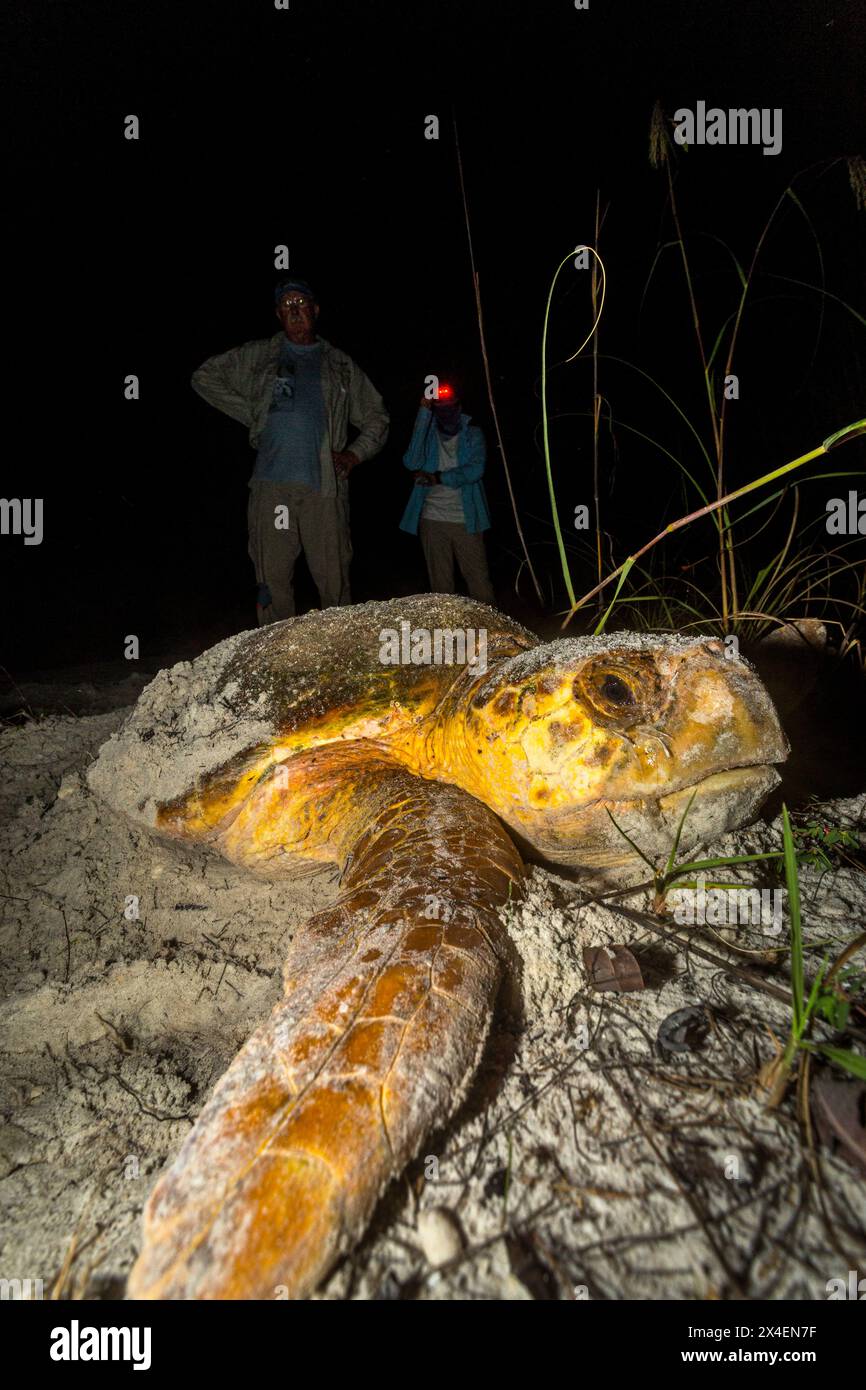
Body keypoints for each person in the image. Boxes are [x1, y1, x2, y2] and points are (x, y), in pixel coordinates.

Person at [191, 277, 389, 622]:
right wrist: (255, 413)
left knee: (333, 578)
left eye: (301, 305)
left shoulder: (339, 364)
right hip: (272, 485)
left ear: (315, 310)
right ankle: (275, 656)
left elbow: (377, 416)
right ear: (278, 316)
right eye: (286, 307)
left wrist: (356, 453)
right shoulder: (262, 355)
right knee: (271, 577)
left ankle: (340, 653)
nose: (294, 311)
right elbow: (204, 377)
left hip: (323, 488)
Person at [399, 384, 495, 604]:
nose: (446, 411)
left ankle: (493, 634)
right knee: (440, 588)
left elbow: (476, 469)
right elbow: (411, 461)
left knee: (479, 582)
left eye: (450, 406)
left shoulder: (473, 434)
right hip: (432, 519)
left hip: (466, 520)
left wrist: (439, 478)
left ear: (459, 406)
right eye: (439, 406)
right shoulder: (428, 434)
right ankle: (447, 637)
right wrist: (423, 412)